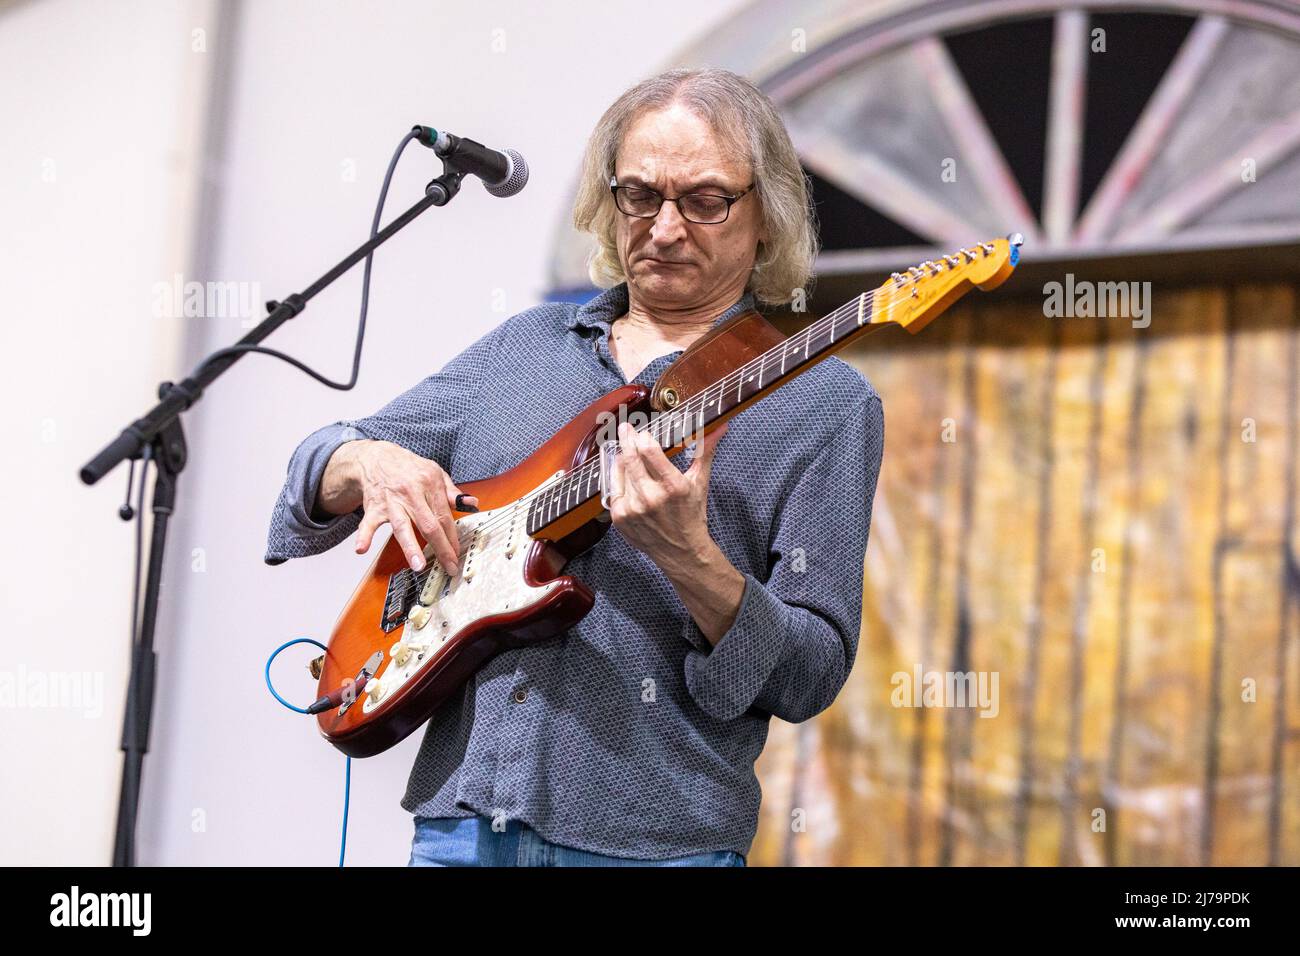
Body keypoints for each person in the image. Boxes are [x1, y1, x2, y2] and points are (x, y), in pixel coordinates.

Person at [265, 67, 884, 867]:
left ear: (767, 215)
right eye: (640, 195)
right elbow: (312, 476)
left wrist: (691, 560)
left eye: (703, 201)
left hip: (658, 849)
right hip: (457, 830)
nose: (664, 229)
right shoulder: (526, 348)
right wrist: (367, 459)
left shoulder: (823, 402)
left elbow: (810, 672)